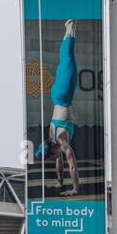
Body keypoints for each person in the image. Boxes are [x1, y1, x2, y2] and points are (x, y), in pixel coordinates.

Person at [35, 19, 80, 196]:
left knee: (67, 58)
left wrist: (75, 189)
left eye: (52, 156)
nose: (54, 160)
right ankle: (70, 28)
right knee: (66, 59)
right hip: (57, 95)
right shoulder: (52, 138)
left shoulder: (60, 140)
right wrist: (60, 183)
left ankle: (69, 26)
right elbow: (60, 163)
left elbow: (72, 164)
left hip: (63, 94)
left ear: (52, 149)